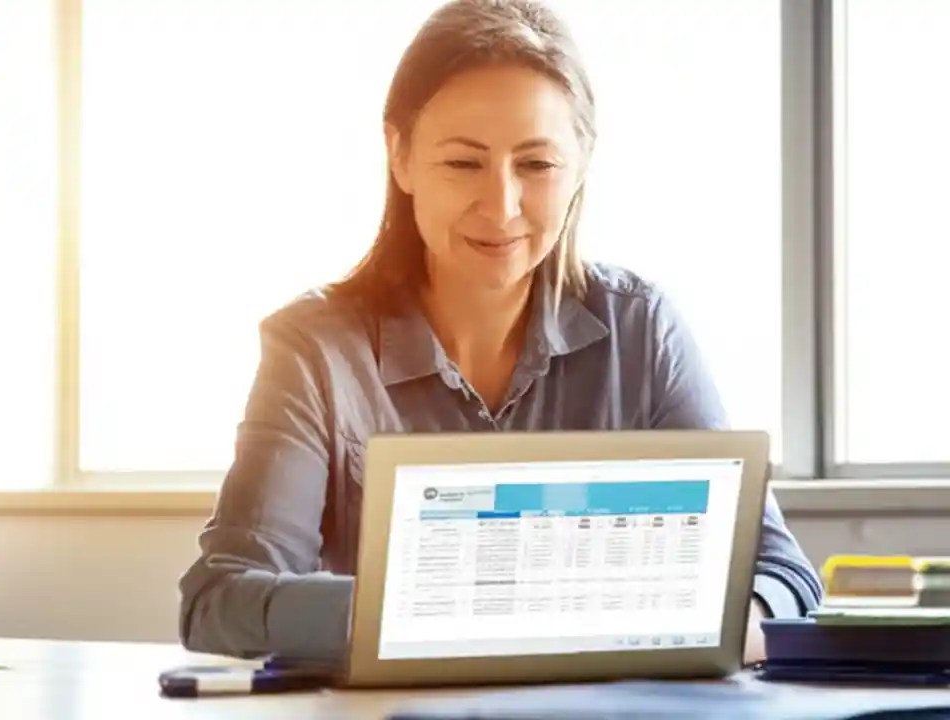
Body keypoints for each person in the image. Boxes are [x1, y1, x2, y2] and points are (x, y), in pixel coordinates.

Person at [178, 0, 822, 665]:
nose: (502, 206)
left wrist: (700, 627)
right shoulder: (315, 350)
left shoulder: (642, 330)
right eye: (463, 164)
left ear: (581, 165)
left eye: (537, 166)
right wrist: (456, 610)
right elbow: (219, 601)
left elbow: (784, 577)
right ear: (400, 157)